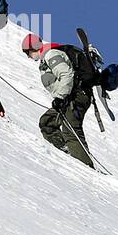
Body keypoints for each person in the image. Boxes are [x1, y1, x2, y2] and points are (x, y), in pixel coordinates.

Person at [22, 34, 93, 169]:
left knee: (70, 129)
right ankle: (67, 151)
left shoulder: (51, 54)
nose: (28, 56)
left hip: (75, 96)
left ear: (34, 48)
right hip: (68, 98)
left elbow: (66, 75)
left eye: (28, 52)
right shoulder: (47, 57)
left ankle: (85, 166)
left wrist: (60, 97)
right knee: (47, 122)